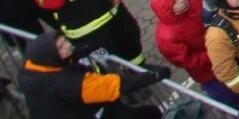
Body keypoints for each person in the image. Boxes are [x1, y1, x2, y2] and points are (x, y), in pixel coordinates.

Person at [18, 29, 165, 118]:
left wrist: (78, 53)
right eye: (61, 47)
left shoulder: (31, 68)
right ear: (51, 55)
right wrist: (153, 76)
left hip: (73, 111)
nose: (68, 45)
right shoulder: (69, 84)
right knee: (149, 114)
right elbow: (117, 85)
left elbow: (59, 64)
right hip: (88, 113)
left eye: (65, 40)